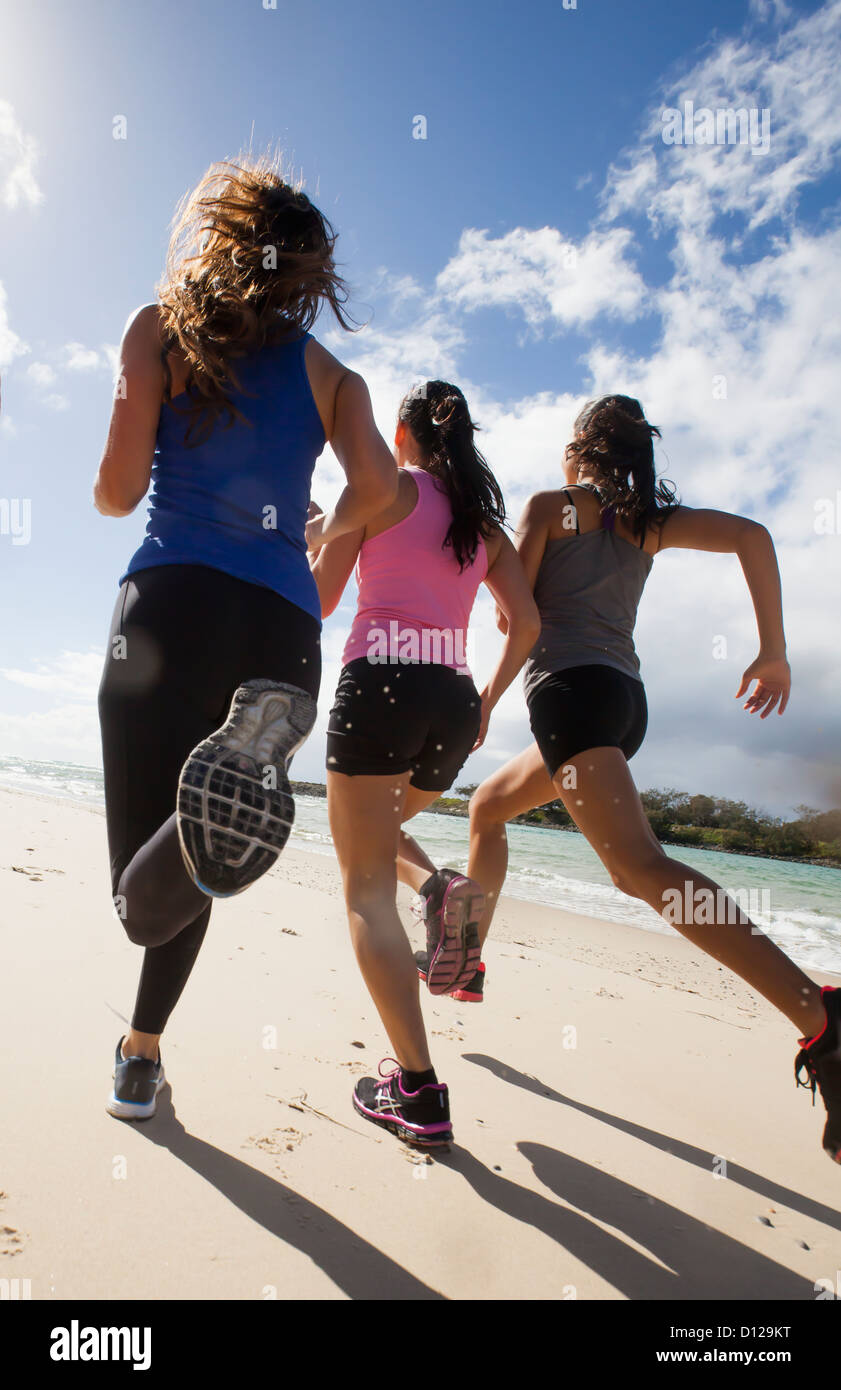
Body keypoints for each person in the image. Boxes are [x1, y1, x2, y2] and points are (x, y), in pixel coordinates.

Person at [95, 156, 397, 1120]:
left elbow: (116, 492)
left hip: (167, 610)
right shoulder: (329, 373)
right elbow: (383, 492)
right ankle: (143, 1054)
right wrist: (326, 527)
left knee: (150, 886)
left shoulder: (160, 331)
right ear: (310, 275)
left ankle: (140, 1052)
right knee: (202, 846)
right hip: (280, 625)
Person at [466, 394, 840, 1163]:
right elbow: (753, 535)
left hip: (568, 699)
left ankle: (820, 1015)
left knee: (640, 869)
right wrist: (772, 650)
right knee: (487, 806)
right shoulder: (647, 523)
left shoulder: (551, 506)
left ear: (580, 447)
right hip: (621, 705)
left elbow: (520, 620)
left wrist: (485, 688)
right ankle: (466, 957)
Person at [308, 381, 540, 1146]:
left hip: (379, 679)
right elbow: (526, 620)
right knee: (371, 837)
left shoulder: (382, 489)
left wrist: (314, 537)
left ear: (401, 436)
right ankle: (440, 888)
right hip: (451, 697)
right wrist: (487, 700)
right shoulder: (485, 525)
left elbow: (320, 595)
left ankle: (416, 1090)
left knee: (362, 888)